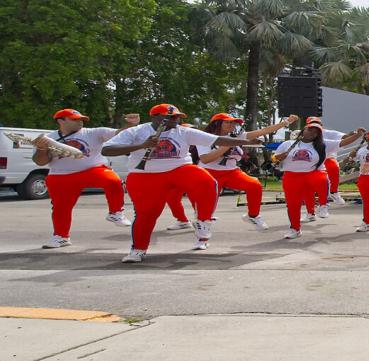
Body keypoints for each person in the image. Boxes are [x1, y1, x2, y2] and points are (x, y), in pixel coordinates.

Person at [102, 104, 267, 262]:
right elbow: (107, 150)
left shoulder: (184, 132)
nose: (176, 120)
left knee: (206, 181)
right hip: (144, 175)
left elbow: (217, 139)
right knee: (146, 215)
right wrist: (142, 145)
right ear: (155, 117)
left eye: (178, 117)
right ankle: (138, 250)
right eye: (171, 117)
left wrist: (246, 142)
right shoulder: (136, 131)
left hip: (179, 169)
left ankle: (203, 221)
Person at [34, 108, 133, 249]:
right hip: (61, 174)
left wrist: (129, 125)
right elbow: (40, 162)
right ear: (61, 121)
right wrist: (41, 148)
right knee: (60, 208)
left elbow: (120, 134)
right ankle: (61, 237)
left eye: (81, 119)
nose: (80, 121)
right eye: (75, 119)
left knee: (113, 181)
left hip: (92, 169)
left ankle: (116, 212)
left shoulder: (93, 132)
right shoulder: (48, 137)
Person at [197, 112, 296, 232]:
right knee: (206, 211)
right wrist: (228, 145)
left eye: (234, 123)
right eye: (228, 122)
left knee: (254, 185)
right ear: (217, 123)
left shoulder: (237, 136)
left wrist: (286, 122)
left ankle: (252, 216)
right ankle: (202, 233)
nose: (232, 125)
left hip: (231, 172)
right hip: (209, 174)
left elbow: (263, 131)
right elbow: (206, 159)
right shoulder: (204, 138)